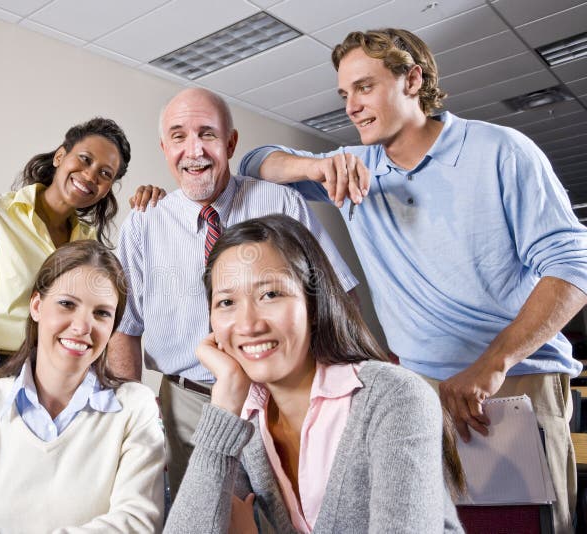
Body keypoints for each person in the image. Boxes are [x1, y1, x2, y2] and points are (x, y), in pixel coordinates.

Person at [239, 28, 587, 532]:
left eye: (364, 87)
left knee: (527, 526)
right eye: (344, 95)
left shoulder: (500, 150)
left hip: (514, 381)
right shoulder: (356, 171)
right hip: (421, 393)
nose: (351, 107)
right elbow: (253, 162)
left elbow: (573, 266)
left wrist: (493, 364)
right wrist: (315, 167)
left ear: (413, 80)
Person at [109, 87, 358, 496]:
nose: (194, 151)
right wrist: (127, 416)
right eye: (178, 136)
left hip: (281, 396)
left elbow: (338, 296)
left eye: (207, 134)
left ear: (231, 143)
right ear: (163, 147)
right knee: (205, 516)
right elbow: (126, 327)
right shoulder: (144, 224)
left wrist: (339, 389)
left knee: (293, 512)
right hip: (188, 405)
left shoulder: (280, 202)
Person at [164, 214, 462, 533]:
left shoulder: (394, 397)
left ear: (314, 304)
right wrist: (224, 408)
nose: (249, 325)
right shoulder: (247, 418)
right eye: (226, 302)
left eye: (270, 295)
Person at [0, 240, 165, 533]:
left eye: (101, 313)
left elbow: (135, 522)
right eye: (67, 304)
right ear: (36, 306)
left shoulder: (134, 407)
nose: (82, 326)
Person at [0, 117, 165, 407]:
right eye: (84, 159)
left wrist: (155, 205)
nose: (89, 176)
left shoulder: (88, 244)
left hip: (57, 384)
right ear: (60, 156)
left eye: (105, 173)